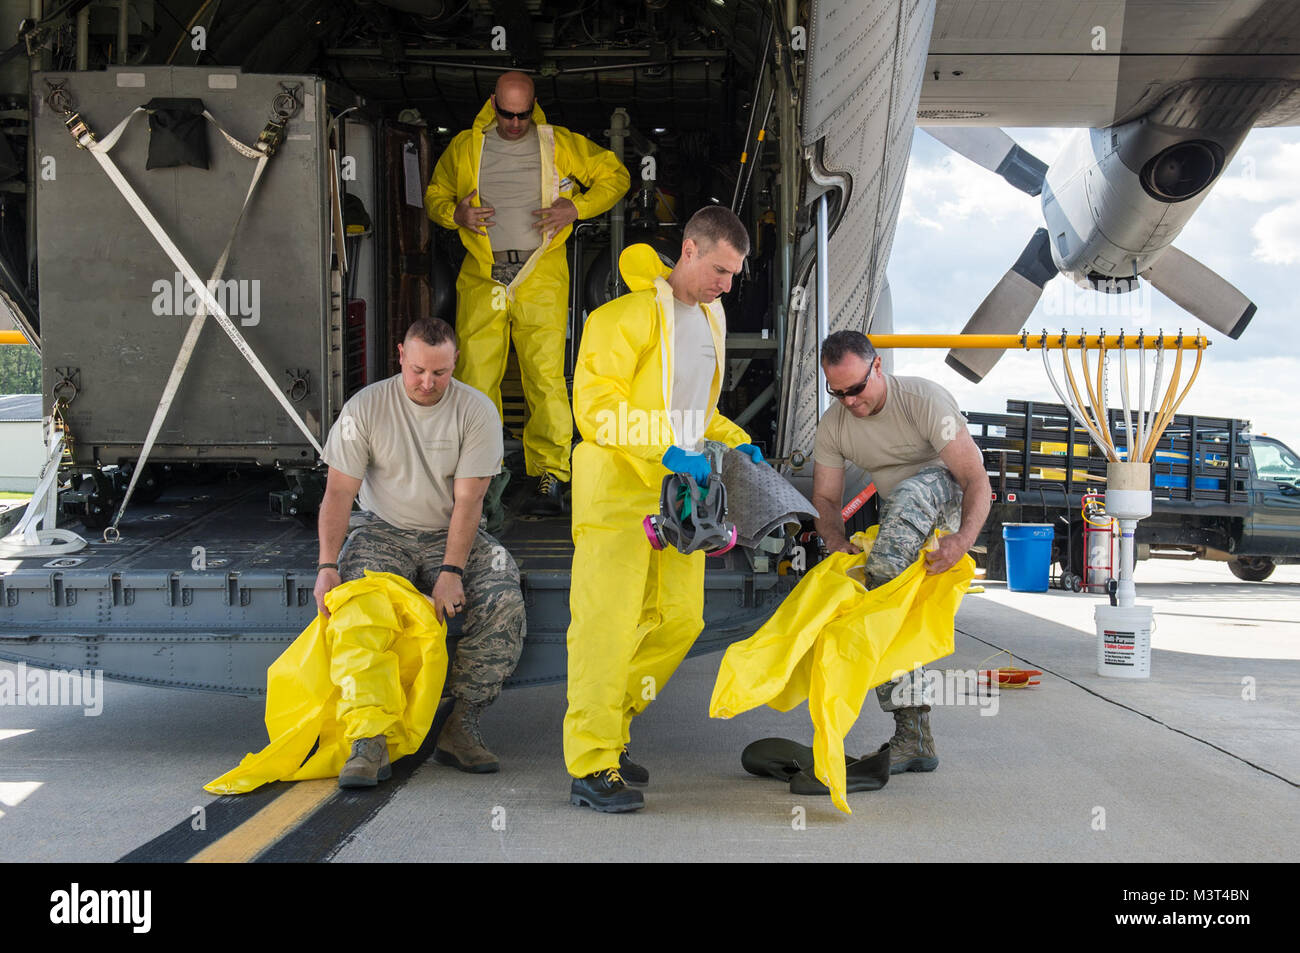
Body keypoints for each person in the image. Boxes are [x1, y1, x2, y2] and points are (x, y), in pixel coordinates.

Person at [563, 206, 766, 813]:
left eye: (734, 275)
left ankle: (613, 728)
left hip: (680, 501)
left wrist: (730, 439)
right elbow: (596, 409)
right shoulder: (619, 318)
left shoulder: (711, 318)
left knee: (681, 621)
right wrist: (669, 449)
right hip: (619, 495)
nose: (727, 284)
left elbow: (693, 415)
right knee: (605, 627)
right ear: (690, 249)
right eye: (722, 271)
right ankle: (592, 763)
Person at [314, 317, 526, 787]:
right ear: (400, 356)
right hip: (381, 528)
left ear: (455, 364)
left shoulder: (477, 410)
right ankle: (369, 739)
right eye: (417, 371)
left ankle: (460, 725)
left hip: (448, 530)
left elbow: (469, 500)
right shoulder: (365, 407)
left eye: (440, 373)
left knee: (502, 594)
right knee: (358, 608)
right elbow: (338, 493)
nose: (427, 383)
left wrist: (451, 570)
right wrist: (327, 565)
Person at [424, 71, 630, 515]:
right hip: (483, 273)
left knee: (546, 377)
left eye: (523, 114)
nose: (515, 123)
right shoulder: (465, 146)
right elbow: (435, 194)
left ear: (533, 105)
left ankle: (549, 476)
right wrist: (454, 213)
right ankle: (483, 471)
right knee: (476, 378)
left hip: (540, 272)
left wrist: (577, 206)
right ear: (492, 103)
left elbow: (615, 176)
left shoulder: (559, 142)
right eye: (507, 114)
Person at [810, 330, 991, 775]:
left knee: (910, 498)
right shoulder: (834, 424)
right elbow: (826, 500)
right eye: (837, 392)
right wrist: (835, 542)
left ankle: (912, 733)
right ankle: (913, 733)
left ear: (877, 367)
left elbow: (976, 479)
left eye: (856, 389)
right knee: (879, 600)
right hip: (898, 513)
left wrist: (963, 540)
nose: (849, 401)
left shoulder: (924, 401)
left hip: (945, 495)